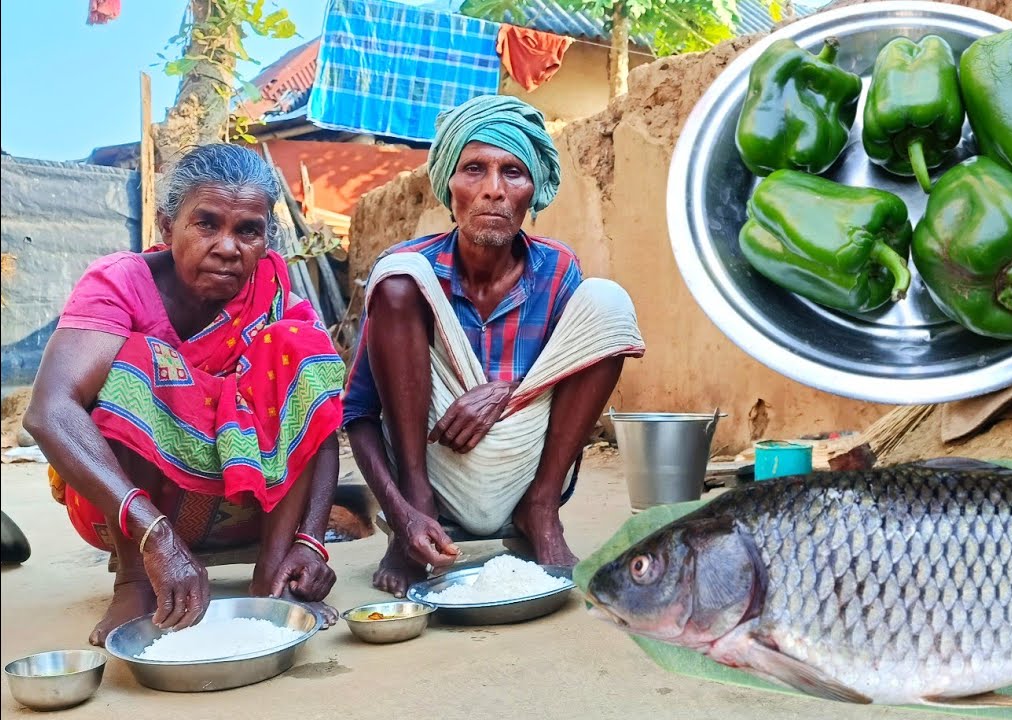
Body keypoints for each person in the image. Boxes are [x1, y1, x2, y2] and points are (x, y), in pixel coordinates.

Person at [24, 143, 347, 645]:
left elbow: (320, 424)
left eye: (248, 231)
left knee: (298, 350)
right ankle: (134, 581)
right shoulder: (121, 284)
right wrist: (156, 537)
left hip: (241, 508)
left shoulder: (273, 292)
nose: (227, 246)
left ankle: (272, 573)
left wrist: (309, 541)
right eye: (206, 224)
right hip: (127, 515)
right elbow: (49, 411)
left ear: (265, 241)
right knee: (139, 358)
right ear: (165, 225)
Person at [344, 95, 645, 597]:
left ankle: (541, 510)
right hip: (433, 462)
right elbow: (356, 413)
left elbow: (569, 378)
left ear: (533, 191)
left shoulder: (556, 269)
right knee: (398, 279)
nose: (493, 191)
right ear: (448, 185)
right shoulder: (409, 270)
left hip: (522, 463)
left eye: (512, 173)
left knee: (608, 302)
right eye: (474, 170)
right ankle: (420, 517)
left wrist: (505, 390)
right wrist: (400, 513)